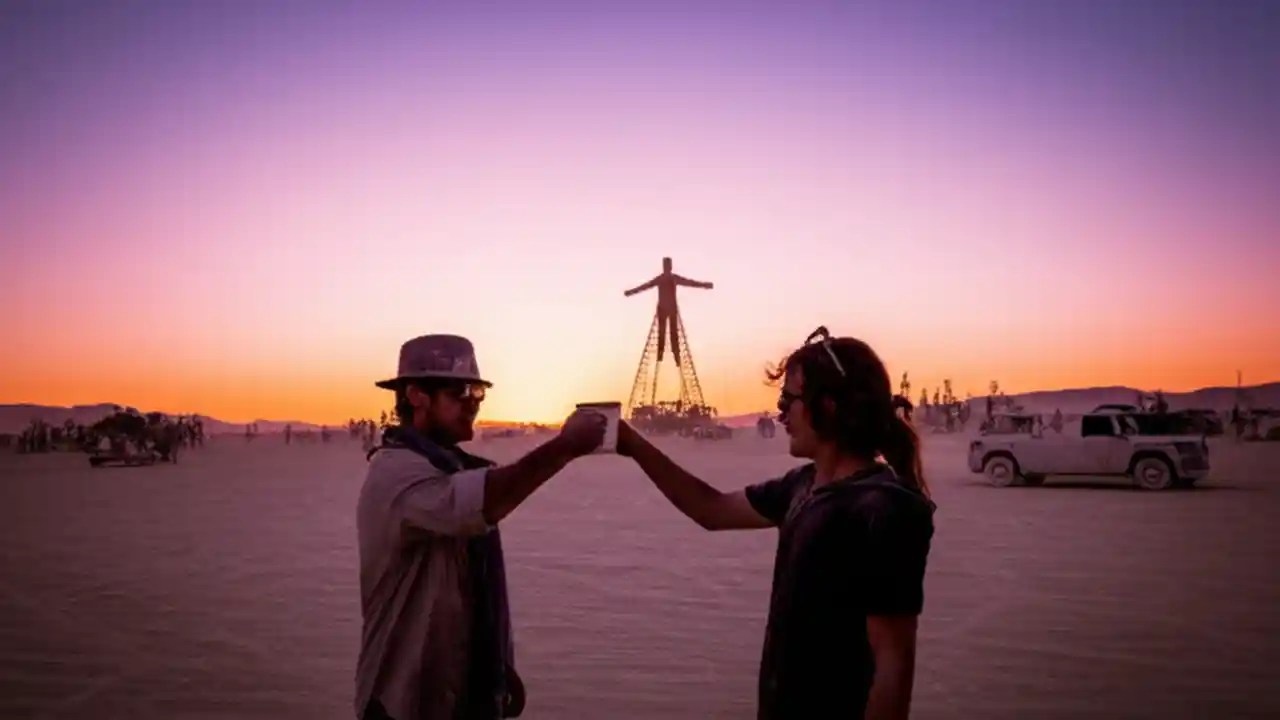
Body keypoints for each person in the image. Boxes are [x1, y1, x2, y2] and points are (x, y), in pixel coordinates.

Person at [618, 327, 935, 719]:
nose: (781, 413)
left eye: (788, 398)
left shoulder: (883, 509)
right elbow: (711, 510)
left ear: (829, 405)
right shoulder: (802, 486)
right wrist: (631, 444)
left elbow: (893, 662)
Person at [355, 334, 606, 720]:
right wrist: (565, 447)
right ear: (416, 395)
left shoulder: (450, 465)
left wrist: (496, 668)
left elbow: (473, 585)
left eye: (478, 393)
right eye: (460, 392)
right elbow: (484, 502)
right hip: (405, 699)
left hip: (457, 694)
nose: (472, 403)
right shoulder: (397, 472)